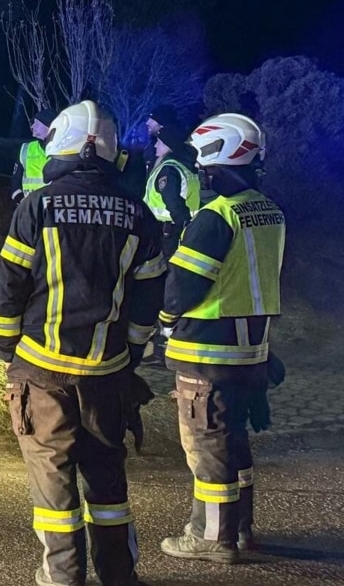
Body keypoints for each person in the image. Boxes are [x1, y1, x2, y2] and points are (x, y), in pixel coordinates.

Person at [0, 100, 163, 586]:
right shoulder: (139, 214)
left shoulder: (36, 206)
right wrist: (130, 351)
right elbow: (148, 296)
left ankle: (63, 577)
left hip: (42, 374)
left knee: (53, 480)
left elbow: (9, 287)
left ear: (61, 145)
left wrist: (7, 348)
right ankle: (118, 575)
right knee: (107, 478)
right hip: (107, 373)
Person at [157, 114, 284, 564]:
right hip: (253, 350)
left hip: (207, 352)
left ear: (219, 157)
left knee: (207, 445)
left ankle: (211, 537)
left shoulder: (215, 218)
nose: (200, 169)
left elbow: (184, 285)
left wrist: (166, 320)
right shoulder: (269, 211)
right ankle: (241, 529)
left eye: (202, 161)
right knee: (234, 441)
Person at [140, 124, 201, 364]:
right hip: (176, 235)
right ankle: (165, 344)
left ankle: (160, 348)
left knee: (159, 289)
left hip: (165, 235)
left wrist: (175, 230)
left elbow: (175, 206)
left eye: (159, 142)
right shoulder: (186, 168)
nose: (155, 145)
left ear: (168, 145)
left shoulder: (169, 170)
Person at [11, 108, 58, 205]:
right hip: (29, 209)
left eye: (37, 123)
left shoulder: (63, 151)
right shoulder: (26, 149)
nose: (32, 126)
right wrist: (21, 201)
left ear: (48, 126)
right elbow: (15, 182)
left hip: (53, 210)